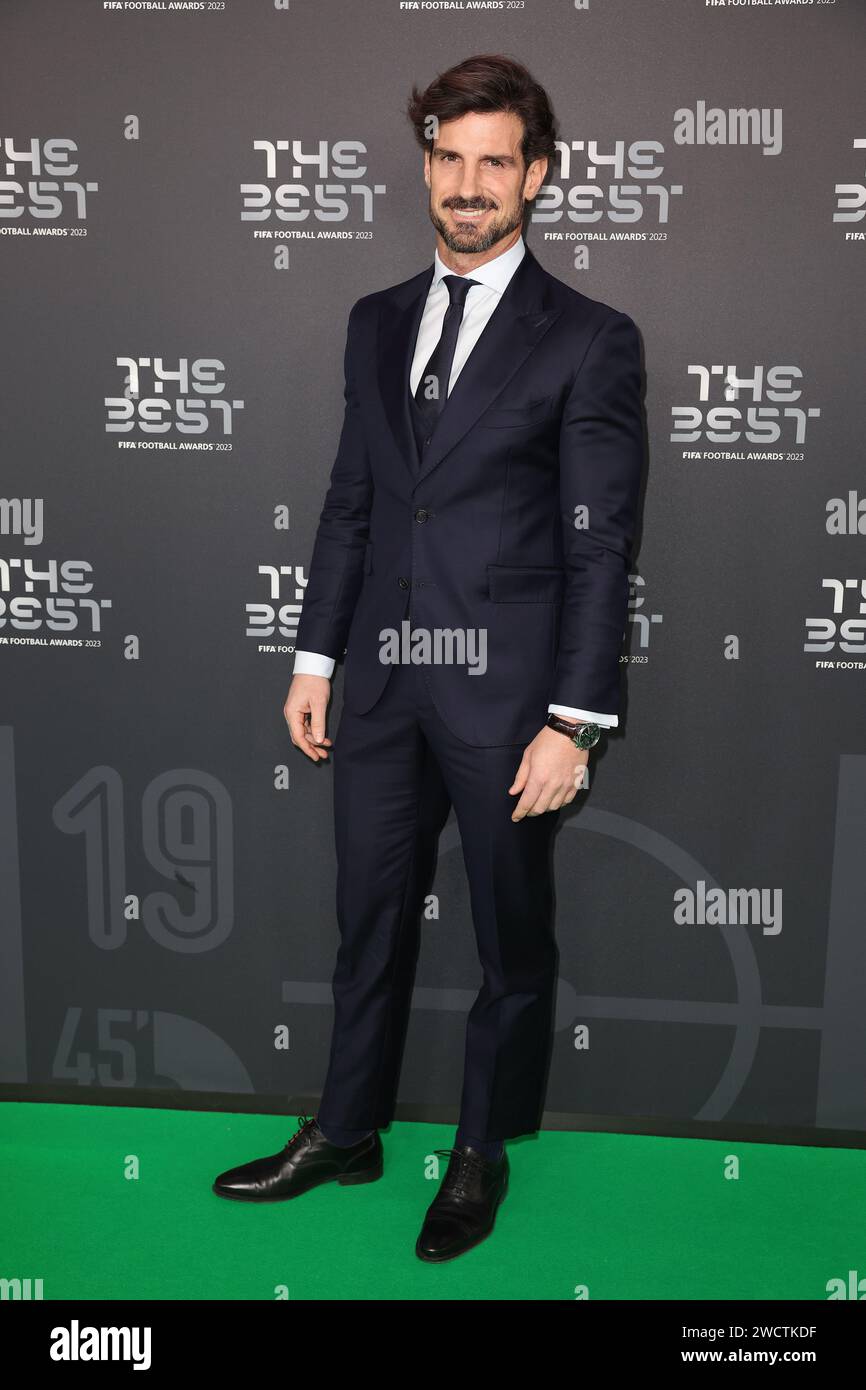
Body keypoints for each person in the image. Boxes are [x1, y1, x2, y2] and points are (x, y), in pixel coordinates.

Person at [213, 53, 645, 1263]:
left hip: (513, 699)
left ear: (535, 176)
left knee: (508, 936)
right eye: (447, 159)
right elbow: (352, 500)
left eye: (492, 162)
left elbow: (602, 540)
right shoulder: (376, 319)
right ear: (425, 166)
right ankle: (347, 1130)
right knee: (367, 916)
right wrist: (314, 655)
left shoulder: (590, 339)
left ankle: (478, 1152)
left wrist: (575, 719)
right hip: (383, 677)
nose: (466, 185)